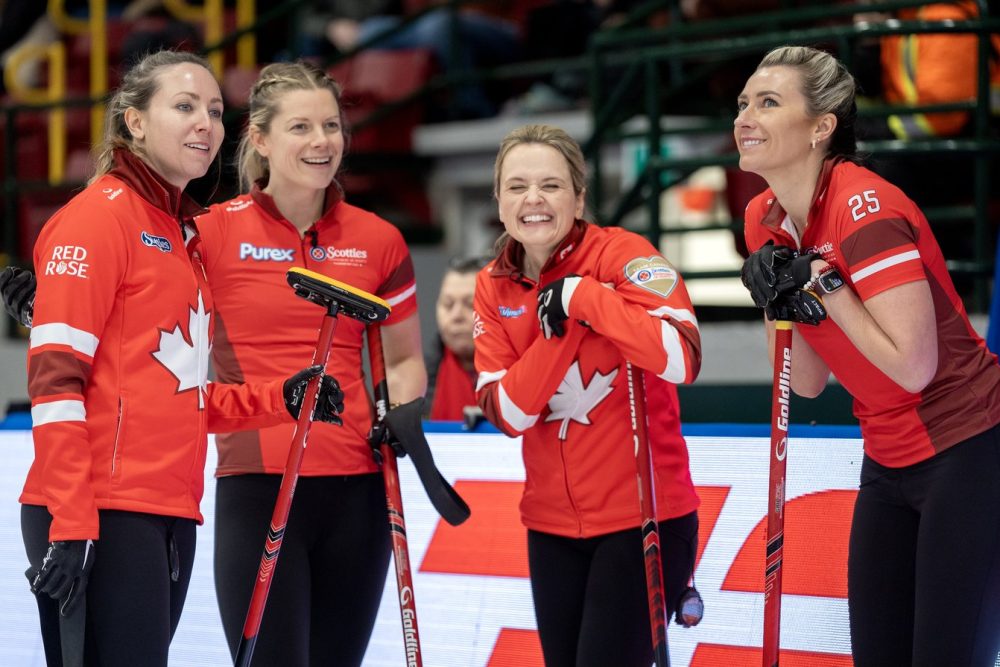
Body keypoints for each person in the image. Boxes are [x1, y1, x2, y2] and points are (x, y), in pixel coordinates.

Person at [14, 50, 345, 667]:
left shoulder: (180, 235)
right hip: (100, 510)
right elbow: (56, 384)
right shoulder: (96, 218)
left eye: (215, 111)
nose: (206, 124)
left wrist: (280, 398)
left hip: (165, 511)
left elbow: (175, 396)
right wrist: (72, 522)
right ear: (136, 122)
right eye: (185, 106)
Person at [737, 45, 1000, 666]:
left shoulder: (866, 207)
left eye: (768, 102)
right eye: (744, 102)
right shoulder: (763, 219)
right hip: (886, 458)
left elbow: (914, 367)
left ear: (822, 127)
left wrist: (823, 283)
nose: (745, 116)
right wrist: (776, 299)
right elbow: (805, 381)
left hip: (967, 447)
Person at [194, 61, 425, 666]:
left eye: (331, 125)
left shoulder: (379, 239)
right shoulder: (210, 234)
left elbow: (404, 358)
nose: (322, 141)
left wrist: (400, 411)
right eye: (300, 127)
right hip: (257, 485)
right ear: (261, 139)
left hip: (358, 490)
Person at [473, 123, 703, 666]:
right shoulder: (492, 283)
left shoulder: (622, 254)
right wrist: (565, 328)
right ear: (499, 202)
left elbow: (682, 357)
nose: (533, 199)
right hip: (549, 526)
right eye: (517, 186)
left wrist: (586, 298)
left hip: (644, 519)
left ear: (578, 199)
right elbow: (508, 413)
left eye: (551, 185)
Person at [425, 255, 488, 421]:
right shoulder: (417, 380)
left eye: (470, 304)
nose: (456, 315)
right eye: (448, 304)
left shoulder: (523, 375)